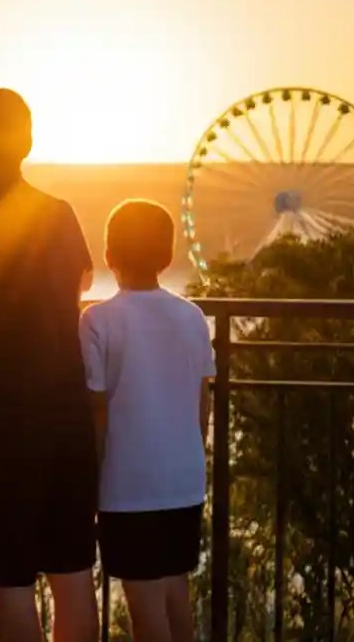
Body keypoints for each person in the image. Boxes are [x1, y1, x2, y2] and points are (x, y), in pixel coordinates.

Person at [0, 88, 99, 641]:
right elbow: (83, 282)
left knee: (10, 583)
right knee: (73, 575)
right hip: (69, 418)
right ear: (26, 142)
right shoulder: (60, 214)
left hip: (0, 425)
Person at [80, 200, 213, 642]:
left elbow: (96, 410)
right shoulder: (192, 317)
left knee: (143, 604)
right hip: (183, 478)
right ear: (168, 255)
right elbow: (202, 402)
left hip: (129, 482)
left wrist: (92, 478)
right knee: (176, 590)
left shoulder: (97, 320)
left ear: (108, 254)